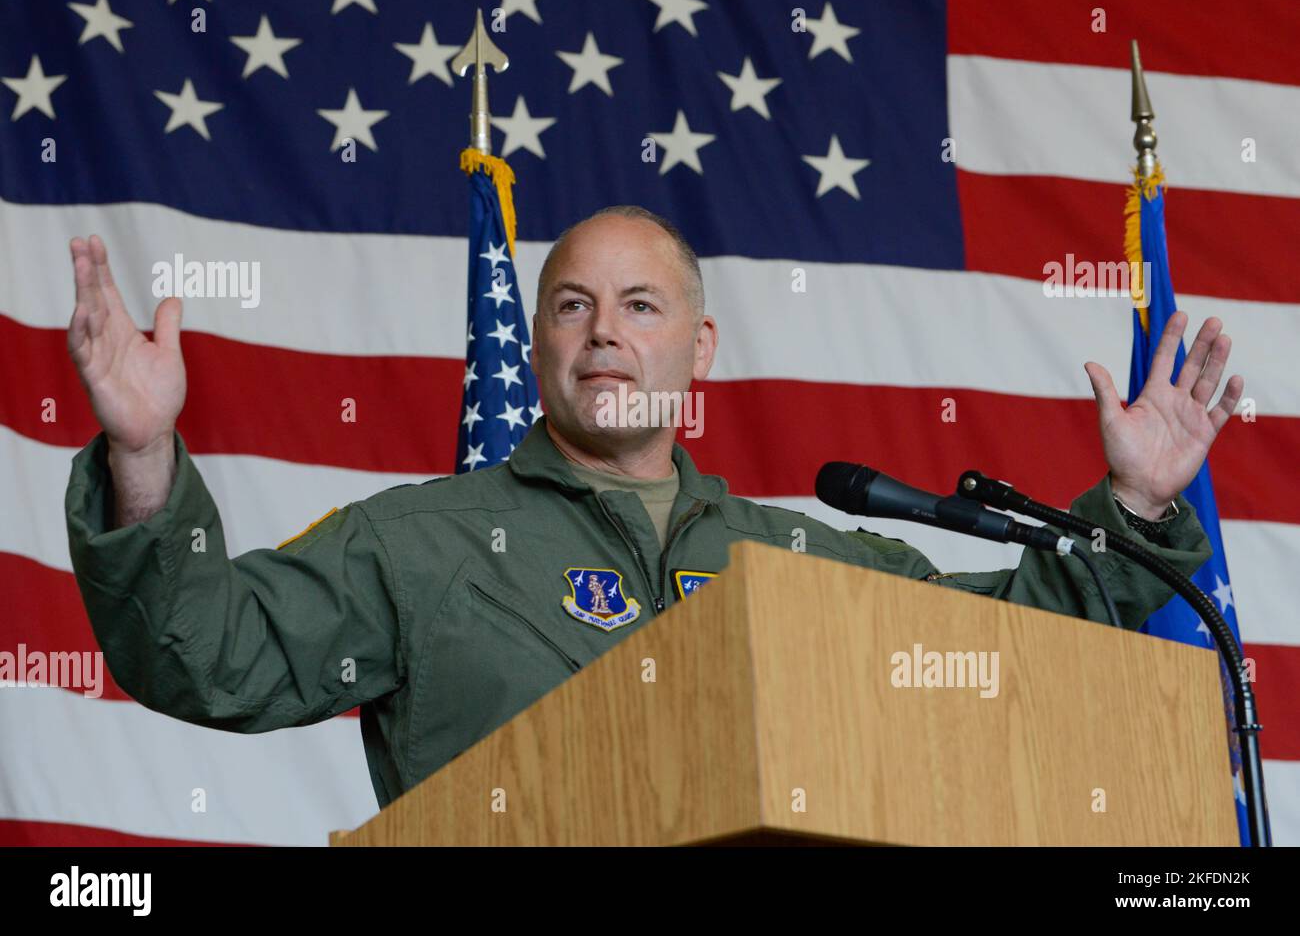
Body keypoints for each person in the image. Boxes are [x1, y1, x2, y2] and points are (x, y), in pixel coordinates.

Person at [63, 206, 1242, 808]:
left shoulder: (797, 556)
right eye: (572, 307)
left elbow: (1004, 652)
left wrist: (1134, 499)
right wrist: (144, 448)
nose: (606, 334)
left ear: (699, 347)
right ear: (536, 347)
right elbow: (201, 654)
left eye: (638, 305)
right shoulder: (413, 545)